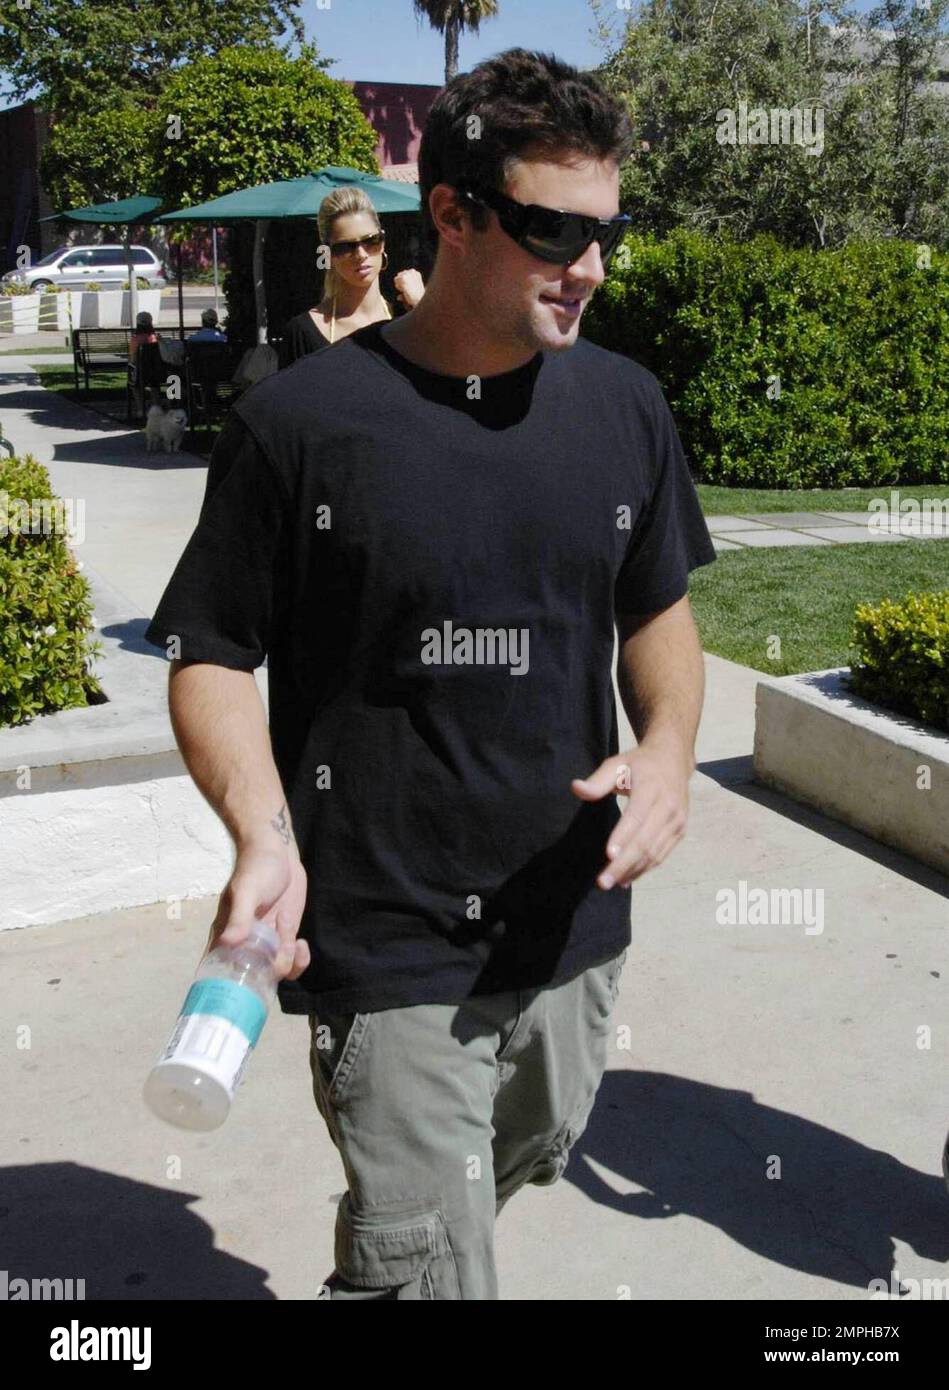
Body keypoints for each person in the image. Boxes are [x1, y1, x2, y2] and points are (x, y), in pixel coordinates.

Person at [144, 48, 718, 1300]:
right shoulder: (300, 426)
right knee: (433, 1257)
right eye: (554, 230)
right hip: (382, 930)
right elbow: (210, 653)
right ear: (451, 215)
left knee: (516, 1164)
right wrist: (258, 832)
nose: (594, 265)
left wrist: (667, 751)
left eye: (606, 230)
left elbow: (658, 616)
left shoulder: (624, 408)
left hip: (573, 920)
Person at [278, 185, 425, 367]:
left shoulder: (407, 319)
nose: (361, 255)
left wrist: (422, 303)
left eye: (371, 240)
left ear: (383, 242)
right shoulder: (302, 333)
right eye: (346, 247)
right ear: (328, 253)